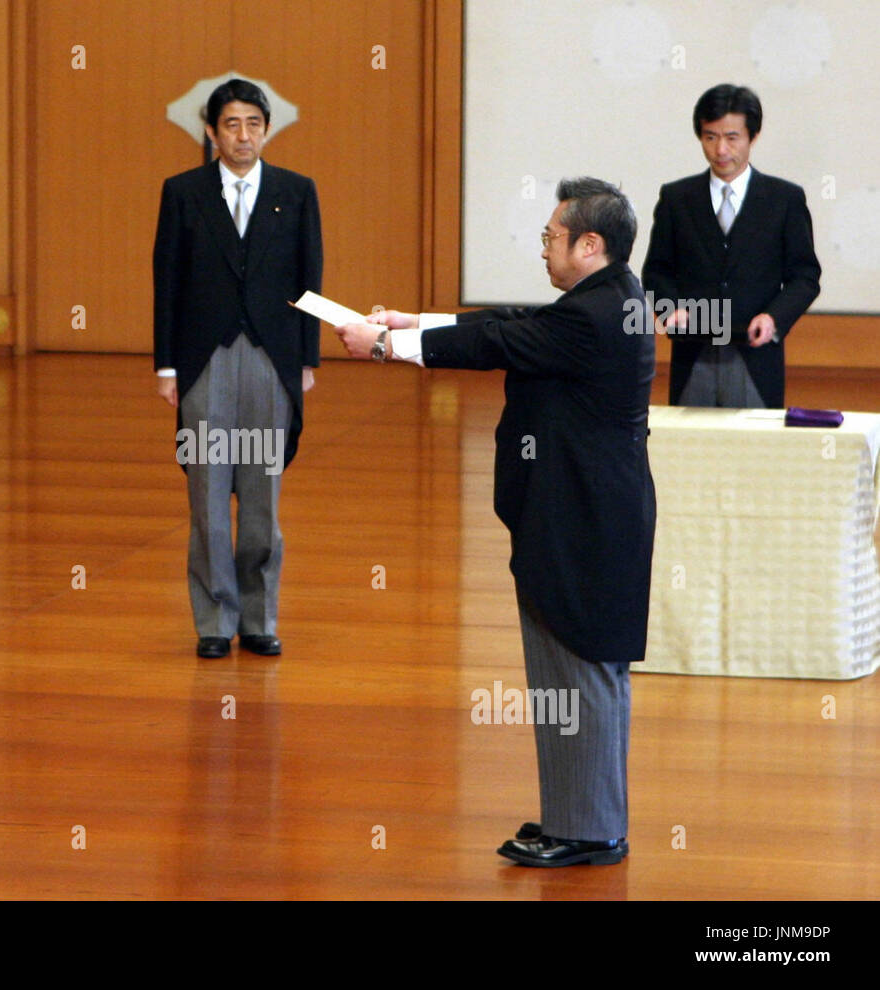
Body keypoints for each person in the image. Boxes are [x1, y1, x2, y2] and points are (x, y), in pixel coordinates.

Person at [335, 178, 655, 866]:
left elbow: (499, 343)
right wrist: (410, 324)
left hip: (583, 522)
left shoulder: (596, 316)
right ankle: (577, 816)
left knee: (580, 671)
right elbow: (508, 324)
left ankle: (590, 831)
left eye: (551, 237)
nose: (543, 249)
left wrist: (386, 346)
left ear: (589, 244)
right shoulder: (607, 299)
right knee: (572, 671)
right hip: (580, 514)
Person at [152, 78, 322, 659]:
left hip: (272, 360)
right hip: (204, 360)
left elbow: (310, 280)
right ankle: (213, 620)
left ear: (267, 130)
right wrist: (167, 366)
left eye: (253, 123)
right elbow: (167, 283)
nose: (243, 135)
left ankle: (259, 617)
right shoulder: (183, 192)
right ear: (211, 131)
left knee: (262, 495)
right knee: (206, 491)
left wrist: (306, 358)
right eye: (231, 124)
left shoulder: (296, 191)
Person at [642, 83, 821, 408]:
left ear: (753, 136)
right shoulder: (676, 198)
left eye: (732, 137)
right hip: (693, 352)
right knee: (689, 440)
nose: (721, 150)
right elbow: (656, 271)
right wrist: (670, 309)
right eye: (710, 137)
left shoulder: (784, 199)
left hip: (756, 354)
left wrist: (773, 318)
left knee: (755, 440)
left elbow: (805, 277)